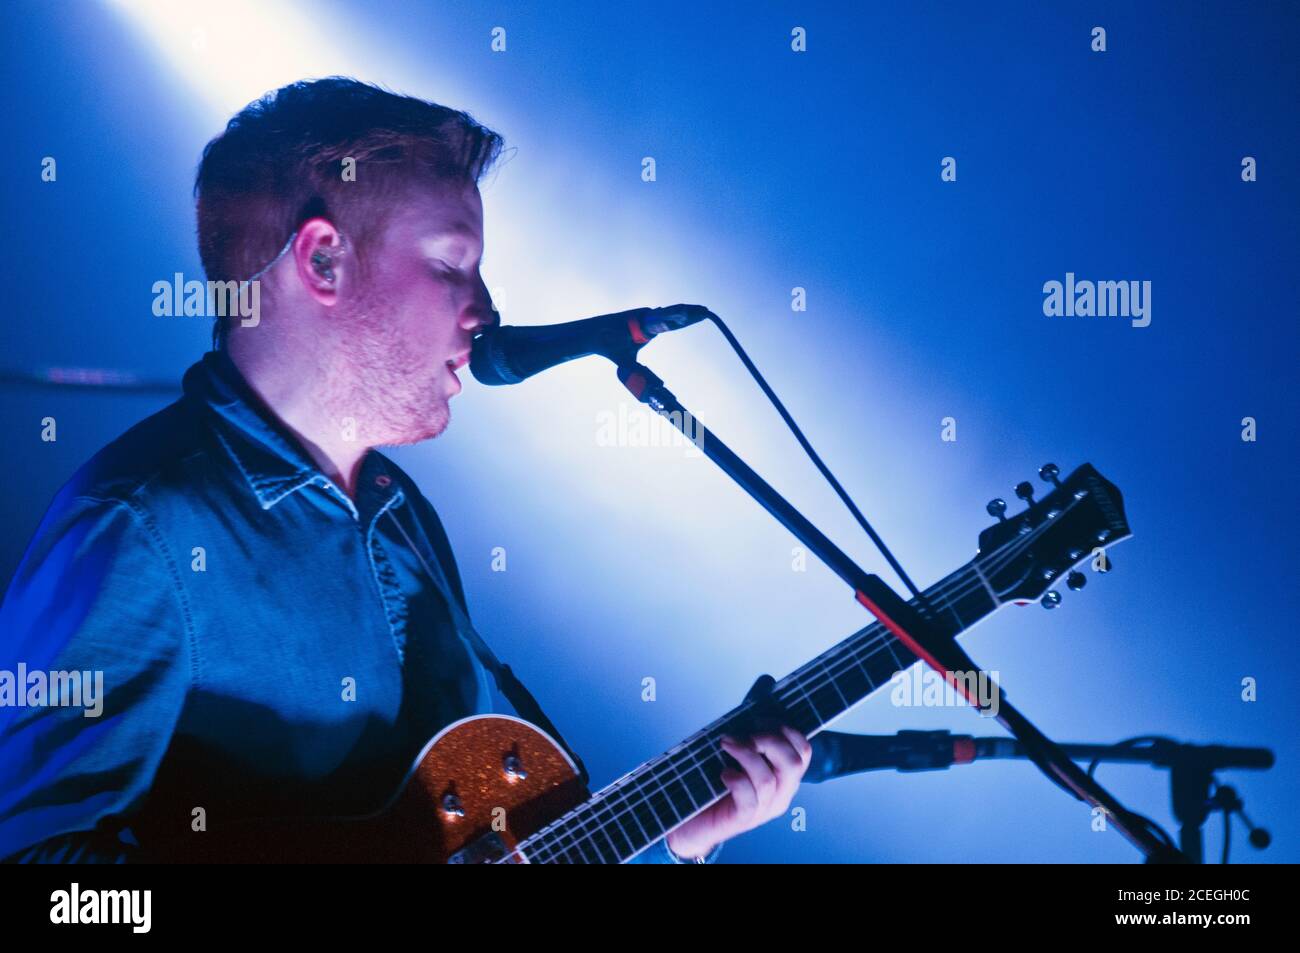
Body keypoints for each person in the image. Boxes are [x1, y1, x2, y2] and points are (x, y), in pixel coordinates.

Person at [0, 78, 811, 863]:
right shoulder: (140, 525)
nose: (486, 310)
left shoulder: (401, 515)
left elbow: (513, 841)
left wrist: (683, 836)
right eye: (453, 264)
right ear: (322, 261)